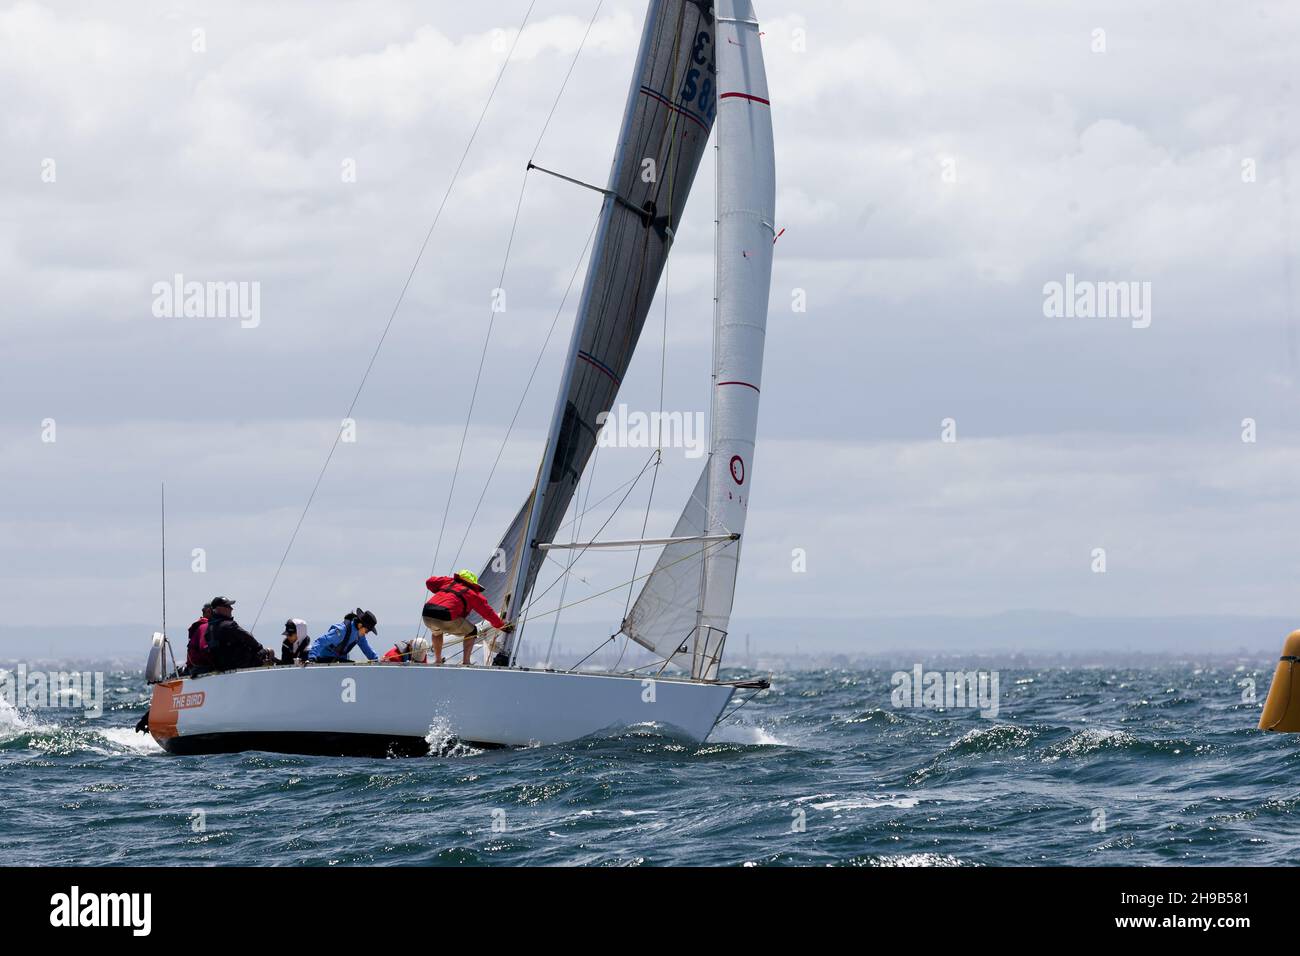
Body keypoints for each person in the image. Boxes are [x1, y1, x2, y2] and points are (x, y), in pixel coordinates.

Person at [422, 570, 513, 666]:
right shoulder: (473, 594)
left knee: (437, 633)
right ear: (473, 583)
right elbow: (488, 613)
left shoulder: (448, 582)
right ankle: (466, 662)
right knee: (472, 631)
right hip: (446, 615)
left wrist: (446, 586)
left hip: (427, 613)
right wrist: (501, 625)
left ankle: (438, 660)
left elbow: (429, 581)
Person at [205, 596, 272, 671]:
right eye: (228, 606)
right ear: (219, 609)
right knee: (269, 651)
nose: (231, 608)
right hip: (240, 664)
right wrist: (261, 650)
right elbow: (252, 641)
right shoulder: (229, 625)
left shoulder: (208, 629)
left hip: (220, 667)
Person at [308, 609, 379, 663]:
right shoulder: (342, 631)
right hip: (325, 660)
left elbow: (367, 650)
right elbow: (321, 641)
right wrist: (312, 657)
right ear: (360, 625)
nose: (366, 633)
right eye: (367, 631)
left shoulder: (360, 636)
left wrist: (377, 660)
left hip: (340, 662)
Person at [185, 603, 214, 674]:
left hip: (194, 666)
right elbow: (204, 648)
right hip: (199, 667)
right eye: (215, 611)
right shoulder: (204, 626)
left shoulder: (200, 625)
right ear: (208, 611)